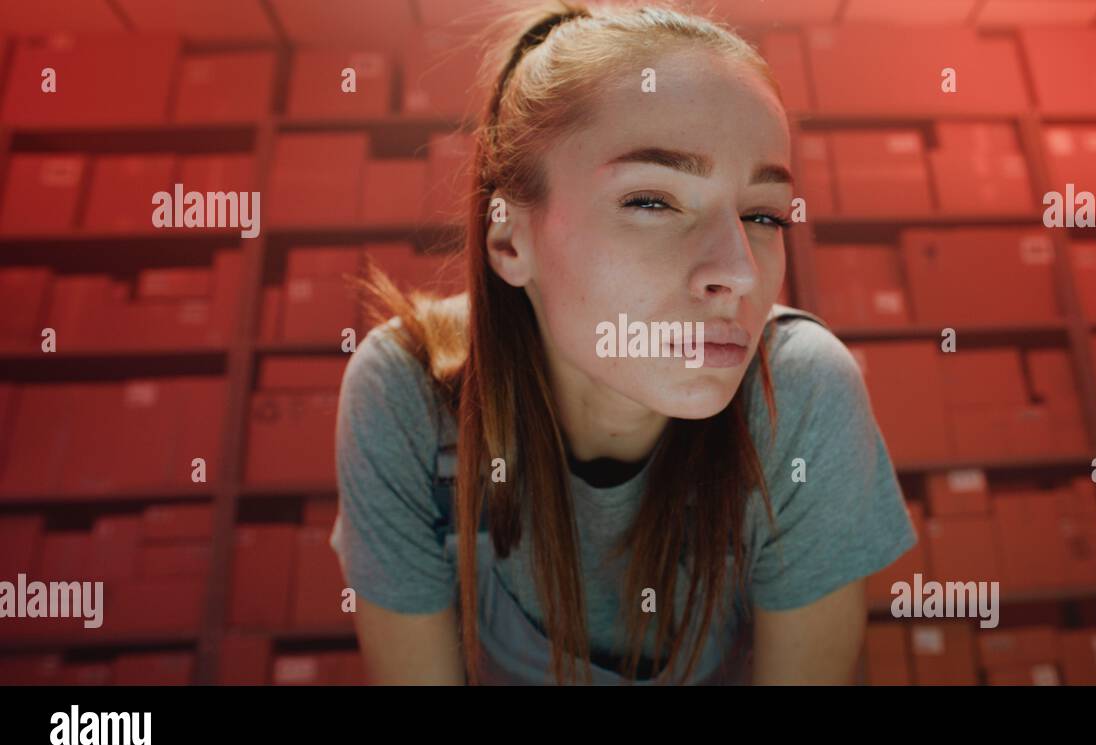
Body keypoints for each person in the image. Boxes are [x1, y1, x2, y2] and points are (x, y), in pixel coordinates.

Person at [330, 0, 916, 685]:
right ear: (508, 237)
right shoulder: (407, 394)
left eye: (763, 214)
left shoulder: (802, 393)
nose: (738, 270)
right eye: (652, 201)